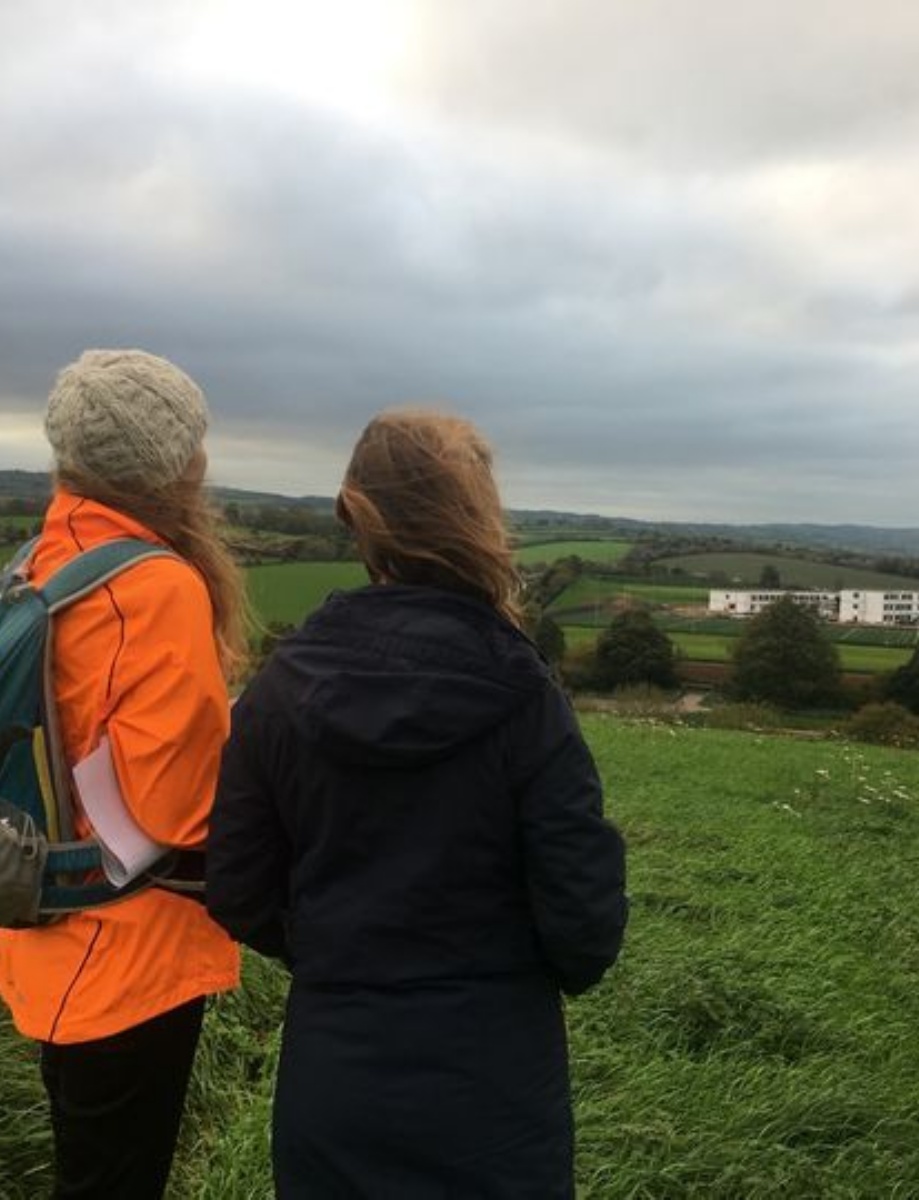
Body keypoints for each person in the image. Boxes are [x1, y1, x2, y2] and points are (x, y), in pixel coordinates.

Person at [206, 409, 627, 1198]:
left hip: (335, 1080)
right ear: (481, 519)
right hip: (494, 1092)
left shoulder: (278, 690)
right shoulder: (526, 697)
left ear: (355, 517)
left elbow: (234, 887)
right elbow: (586, 930)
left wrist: (333, 952)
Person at [0, 349, 246, 1199]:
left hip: (43, 932)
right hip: (126, 959)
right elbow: (176, 814)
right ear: (178, 467)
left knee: (88, 1162)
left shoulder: (37, 564)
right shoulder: (157, 589)